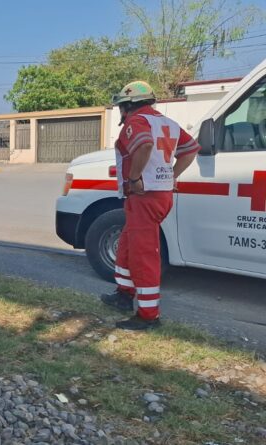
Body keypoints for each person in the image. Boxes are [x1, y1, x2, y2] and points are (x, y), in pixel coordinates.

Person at [101, 81, 200, 330]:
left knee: (143, 254)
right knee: (126, 244)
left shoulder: (137, 122)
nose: (121, 114)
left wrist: (134, 179)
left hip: (145, 196)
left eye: (121, 108)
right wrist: (172, 175)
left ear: (127, 106)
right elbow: (190, 150)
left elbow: (144, 145)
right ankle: (124, 294)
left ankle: (148, 315)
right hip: (157, 194)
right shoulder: (167, 123)